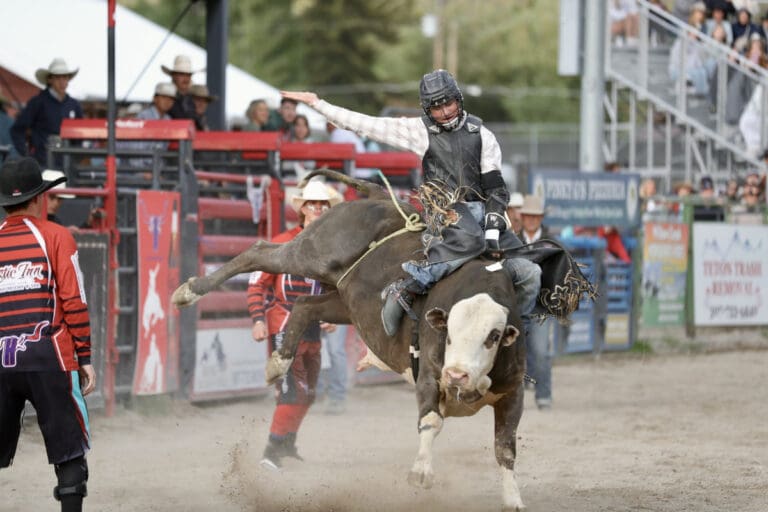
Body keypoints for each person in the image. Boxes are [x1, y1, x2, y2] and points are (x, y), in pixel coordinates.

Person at [281, 69, 541, 338]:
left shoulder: (482, 134)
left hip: (482, 212)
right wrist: (318, 104)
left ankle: (516, 332)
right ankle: (411, 283)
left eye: (448, 103)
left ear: (458, 99)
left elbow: (495, 187)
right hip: (444, 210)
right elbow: (365, 124)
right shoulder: (418, 130)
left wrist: (493, 225)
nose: (444, 112)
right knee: (472, 240)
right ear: (428, 109)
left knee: (530, 271)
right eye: (436, 107)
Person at [0, 157, 94, 512]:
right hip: (49, 357)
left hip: (1, 360)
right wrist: (84, 357)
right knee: (70, 456)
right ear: (40, 197)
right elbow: (73, 299)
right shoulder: (56, 236)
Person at [247, 179, 342, 469]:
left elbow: (331, 289)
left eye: (323, 204)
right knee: (292, 390)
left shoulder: (330, 248)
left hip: (311, 325)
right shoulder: (282, 242)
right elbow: (257, 282)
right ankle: (271, 452)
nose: (318, 208)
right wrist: (257, 319)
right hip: (284, 324)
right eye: (313, 204)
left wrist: (331, 315)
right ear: (302, 209)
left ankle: (286, 443)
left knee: (309, 392)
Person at [516, 195, 554, 410]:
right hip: (518, 305)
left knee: (540, 351)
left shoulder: (552, 243)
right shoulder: (512, 240)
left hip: (540, 306)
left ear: (540, 218)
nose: (531, 220)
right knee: (515, 353)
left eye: (535, 216)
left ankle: (544, 395)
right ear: (522, 217)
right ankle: (515, 398)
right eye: (528, 216)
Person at [11, 58, 83, 165]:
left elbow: (80, 135)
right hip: (42, 162)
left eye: (65, 77)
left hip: (67, 163)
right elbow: (17, 130)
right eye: (58, 77)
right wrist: (28, 156)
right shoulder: (37, 102)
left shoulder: (74, 105)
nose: (62, 81)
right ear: (50, 80)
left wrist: (75, 158)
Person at [161, 54, 203, 125]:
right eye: (182, 74)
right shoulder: (165, 97)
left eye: (189, 75)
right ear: (173, 76)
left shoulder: (190, 99)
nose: (186, 79)